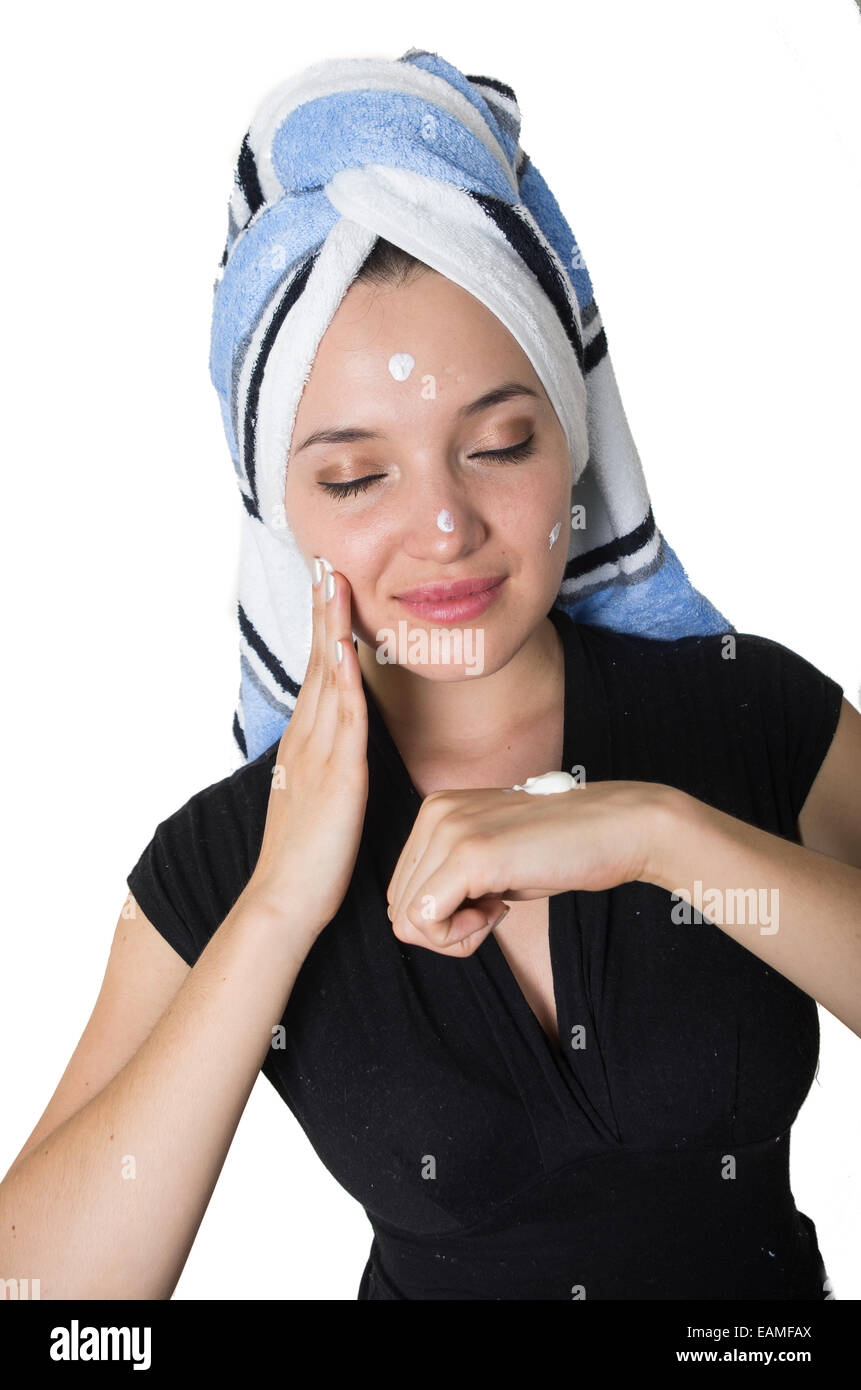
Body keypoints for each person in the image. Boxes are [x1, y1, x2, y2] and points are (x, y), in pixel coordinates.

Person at [2, 50, 859, 1302]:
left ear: (573, 436)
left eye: (500, 443)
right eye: (357, 476)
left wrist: (658, 832)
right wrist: (280, 909)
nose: (446, 526)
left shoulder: (751, 713)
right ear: (277, 502)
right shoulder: (230, 856)